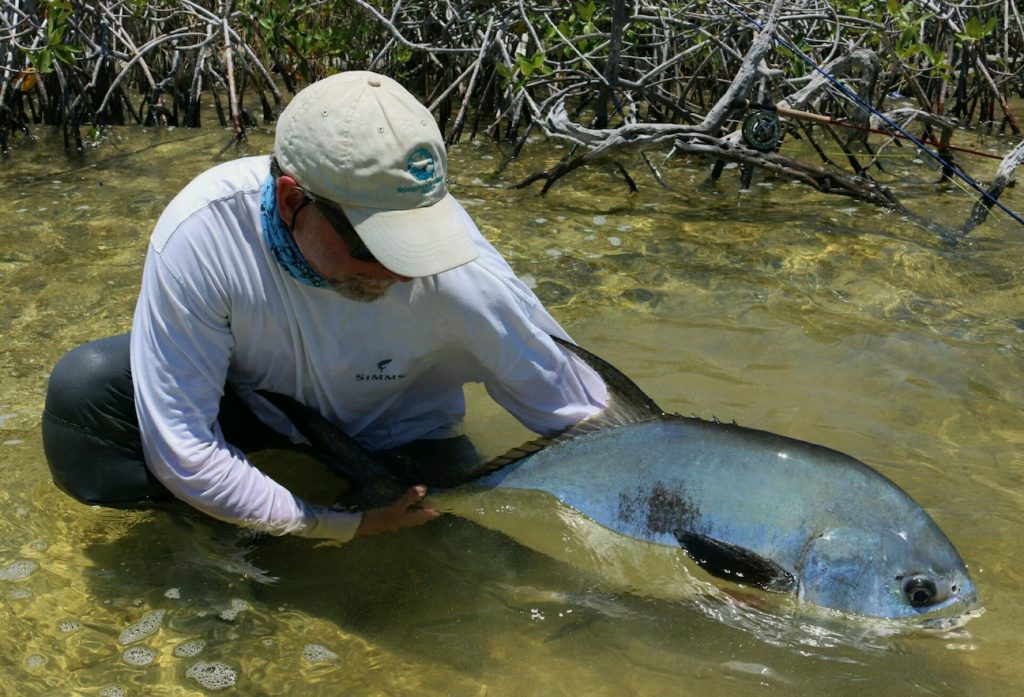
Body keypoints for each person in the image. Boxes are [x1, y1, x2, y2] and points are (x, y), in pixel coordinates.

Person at [41, 71, 607, 543]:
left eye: (417, 242)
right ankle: (205, 535)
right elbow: (183, 446)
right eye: (375, 245)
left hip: (404, 443)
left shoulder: (466, 275)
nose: (403, 270)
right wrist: (335, 526)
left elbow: (594, 423)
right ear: (291, 200)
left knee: (473, 564)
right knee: (86, 390)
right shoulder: (202, 233)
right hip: (260, 410)